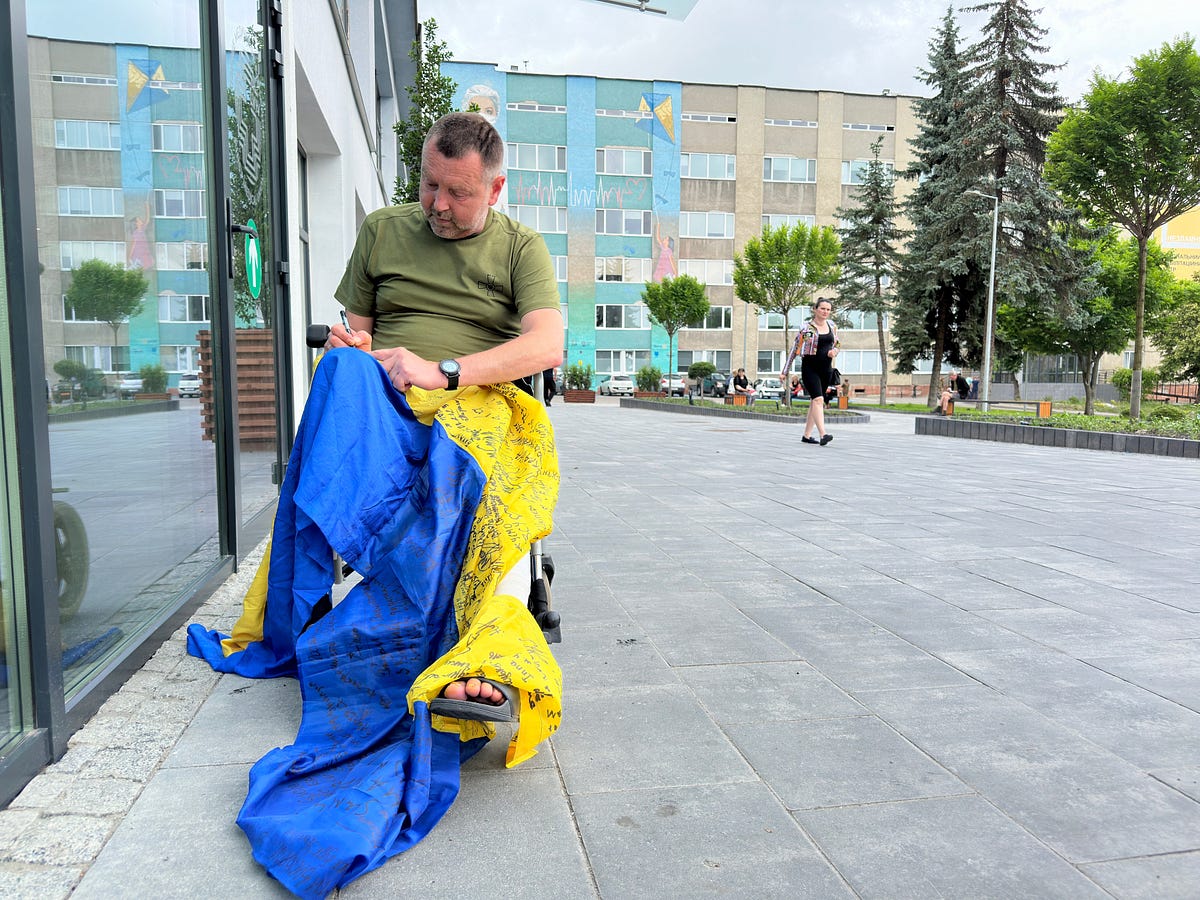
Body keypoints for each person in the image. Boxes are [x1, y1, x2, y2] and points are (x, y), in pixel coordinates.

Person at [188, 112, 565, 895]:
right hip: (387, 403)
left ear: (495, 189)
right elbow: (351, 332)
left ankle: (478, 655)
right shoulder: (385, 231)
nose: (437, 203)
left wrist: (447, 371)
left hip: (473, 400)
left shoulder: (520, 248)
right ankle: (319, 601)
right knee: (337, 376)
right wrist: (356, 349)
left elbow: (547, 345)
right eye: (429, 183)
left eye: (457, 193)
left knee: (481, 483)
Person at [782, 298, 839, 445]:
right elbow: (795, 349)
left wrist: (834, 351)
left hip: (826, 369)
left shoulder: (832, 326)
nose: (825, 312)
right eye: (822, 308)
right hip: (810, 369)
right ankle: (823, 434)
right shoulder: (806, 329)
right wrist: (785, 371)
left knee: (815, 402)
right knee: (819, 400)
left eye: (828, 309)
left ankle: (806, 436)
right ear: (815, 309)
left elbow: (837, 343)